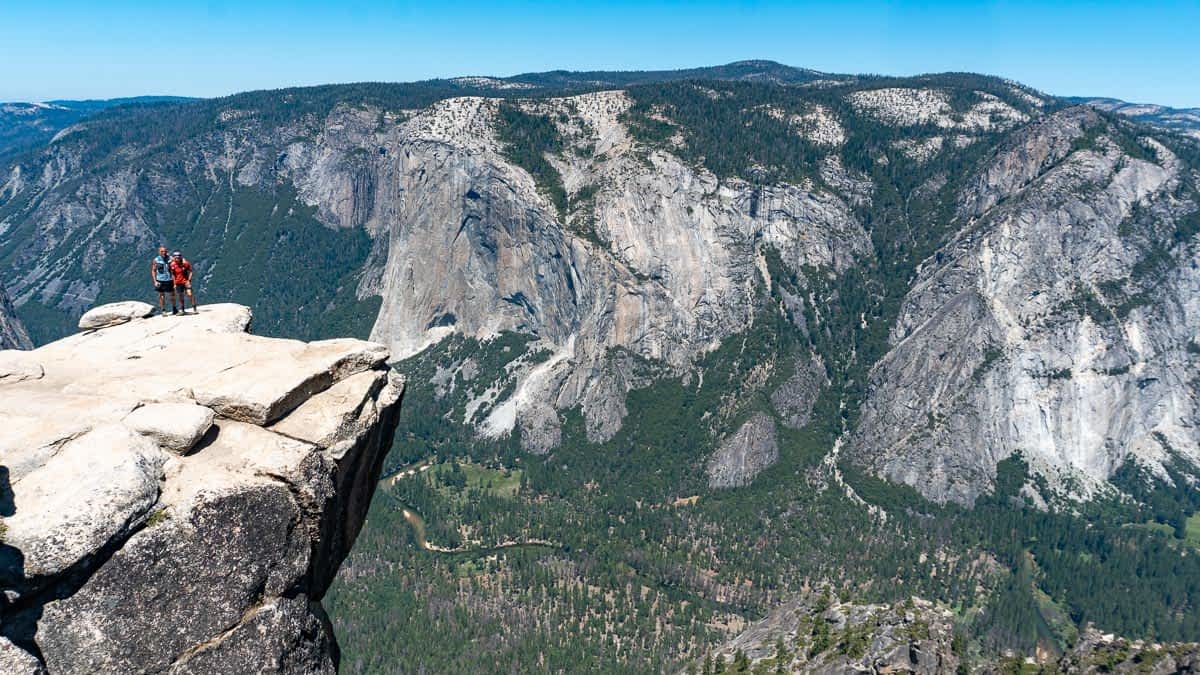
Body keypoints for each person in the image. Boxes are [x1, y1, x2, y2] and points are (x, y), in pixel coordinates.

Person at [150, 246, 176, 315]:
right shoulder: (156, 260)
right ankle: (163, 310)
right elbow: (153, 270)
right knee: (161, 295)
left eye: (165, 251)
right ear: (159, 252)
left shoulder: (170, 259)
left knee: (172, 294)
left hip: (169, 279)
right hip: (160, 280)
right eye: (162, 251)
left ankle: (174, 308)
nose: (164, 253)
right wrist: (155, 281)